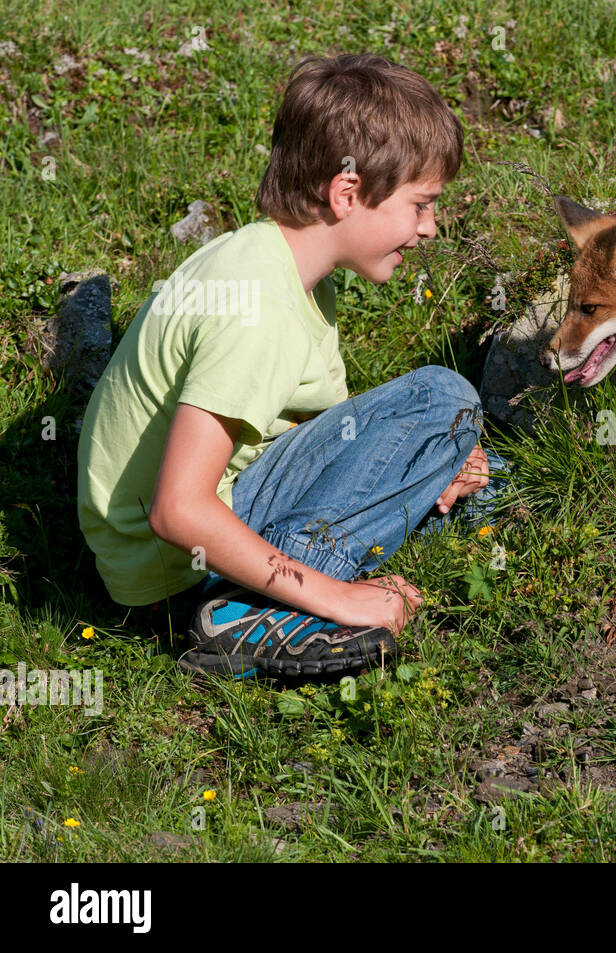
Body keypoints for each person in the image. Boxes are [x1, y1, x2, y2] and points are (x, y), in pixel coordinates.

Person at [76, 53, 509, 678]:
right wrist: (341, 598)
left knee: (479, 476)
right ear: (348, 192)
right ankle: (260, 615)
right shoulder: (256, 306)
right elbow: (177, 509)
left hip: (186, 545)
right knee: (444, 399)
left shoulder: (286, 271)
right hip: (179, 571)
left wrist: (424, 465)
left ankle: (299, 585)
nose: (431, 229)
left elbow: (330, 432)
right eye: (420, 205)